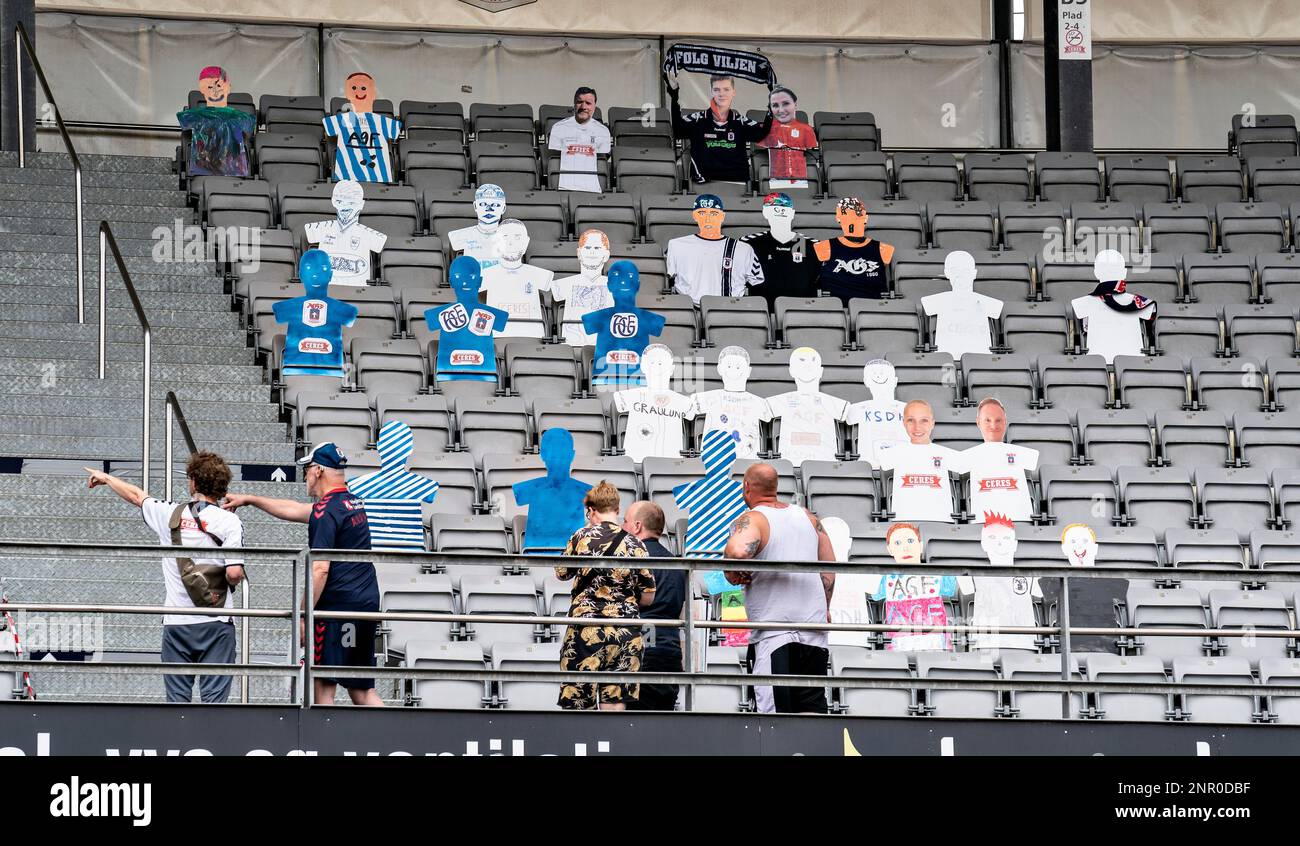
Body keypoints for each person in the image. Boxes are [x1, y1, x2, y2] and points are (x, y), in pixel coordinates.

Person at [224, 442, 383, 706]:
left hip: (336, 609)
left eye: (307, 469)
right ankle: (392, 742)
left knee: (322, 683)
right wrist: (250, 499)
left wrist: (302, 613)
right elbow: (295, 509)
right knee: (361, 689)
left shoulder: (326, 510)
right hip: (365, 603)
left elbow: (320, 569)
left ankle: (326, 744)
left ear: (318, 470)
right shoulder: (351, 502)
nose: (305, 476)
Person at [85, 453, 244, 704]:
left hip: (176, 623)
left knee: (177, 704)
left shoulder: (170, 514)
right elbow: (234, 573)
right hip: (217, 622)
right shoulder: (231, 521)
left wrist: (106, 478)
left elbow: (137, 496)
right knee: (215, 706)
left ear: (193, 482)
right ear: (223, 486)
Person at [723, 464, 836, 714]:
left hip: (774, 632)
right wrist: (825, 608)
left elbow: (738, 550)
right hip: (813, 629)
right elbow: (829, 568)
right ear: (775, 487)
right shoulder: (809, 517)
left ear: (747, 487)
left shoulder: (752, 518)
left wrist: (731, 569)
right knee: (812, 709)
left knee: (775, 716)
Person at [556, 482, 655, 710]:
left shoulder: (581, 536)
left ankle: (583, 746)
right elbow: (648, 596)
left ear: (590, 510)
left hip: (586, 628)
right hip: (625, 629)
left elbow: (561, 572)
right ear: (617, 510)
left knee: (579, 702)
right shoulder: (635, 543)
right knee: (616, 702)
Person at [623, 501, 686, 711]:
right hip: (670, 651)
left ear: (637, 526)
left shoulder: (632, 561)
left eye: (625, 521)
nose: (622, 527)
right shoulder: (678, 564)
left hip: (638, 650)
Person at [667, 72, 773, 186]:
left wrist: (772, 103)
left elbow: (763, 134)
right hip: (703, 184)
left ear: (733, 92)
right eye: (717, 90)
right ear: (711, 92)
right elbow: (678, 130)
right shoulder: (698, 120)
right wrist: (674, 94)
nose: (721, 94)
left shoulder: (741, 122)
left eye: (726, 89)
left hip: (737, 185)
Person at [665, 194, 764, 303]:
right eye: (702, 213)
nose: (707, 219)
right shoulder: (676, 245)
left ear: (722, 216)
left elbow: (757, 282)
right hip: (688, 309)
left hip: (728, 310)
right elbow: (666, 280)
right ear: (694, 216)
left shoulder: (743, 249)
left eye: (714, 213)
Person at [877, 399, 964, 523]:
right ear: (903, 423)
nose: (917, 427)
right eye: (911, 420)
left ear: (932, 423)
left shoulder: (947, 454)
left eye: (924, 420)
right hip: (903, 521)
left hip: (940, 521)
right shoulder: (890, 454)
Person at [959, 397, 1040, 522]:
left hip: (1019, 522)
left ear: (1005, 422)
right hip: (983, 524)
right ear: (978, 422)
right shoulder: (967, 457)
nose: (993, 425)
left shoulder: (1021, 453)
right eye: (987, 420)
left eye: (998, 420)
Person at [740, 192, 821, 308]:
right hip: (761, 313)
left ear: (792, 214)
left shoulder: (813, 245)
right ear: (765, 213)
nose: (780, 213)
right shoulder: (749, 243)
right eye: (775, 210)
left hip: (802, 314)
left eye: (784, 210)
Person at [814, 197, 896, 306]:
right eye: (847, 216)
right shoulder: (823, 247)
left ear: (866, 218)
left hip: (872, 311)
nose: (852, 221)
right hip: (836, 311)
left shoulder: (884, 249)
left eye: (857, 215)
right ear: (838, 219)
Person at [547, 86, 611, 193]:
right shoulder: (558, 128)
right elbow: (554, 158)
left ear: (594, 106)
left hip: (592, 187)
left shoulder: (603, 131)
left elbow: (602, 160)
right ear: (574, 104)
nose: (583, 106)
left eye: (588, 103)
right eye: (579, 102)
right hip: (564, 187)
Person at [757, 87, 818, 190]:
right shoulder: (765, 129)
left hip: (801, 181)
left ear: (795, 104)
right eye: (775, 105)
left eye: (786, 104)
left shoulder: (806, 129)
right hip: (774, 181)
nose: (781, 110)